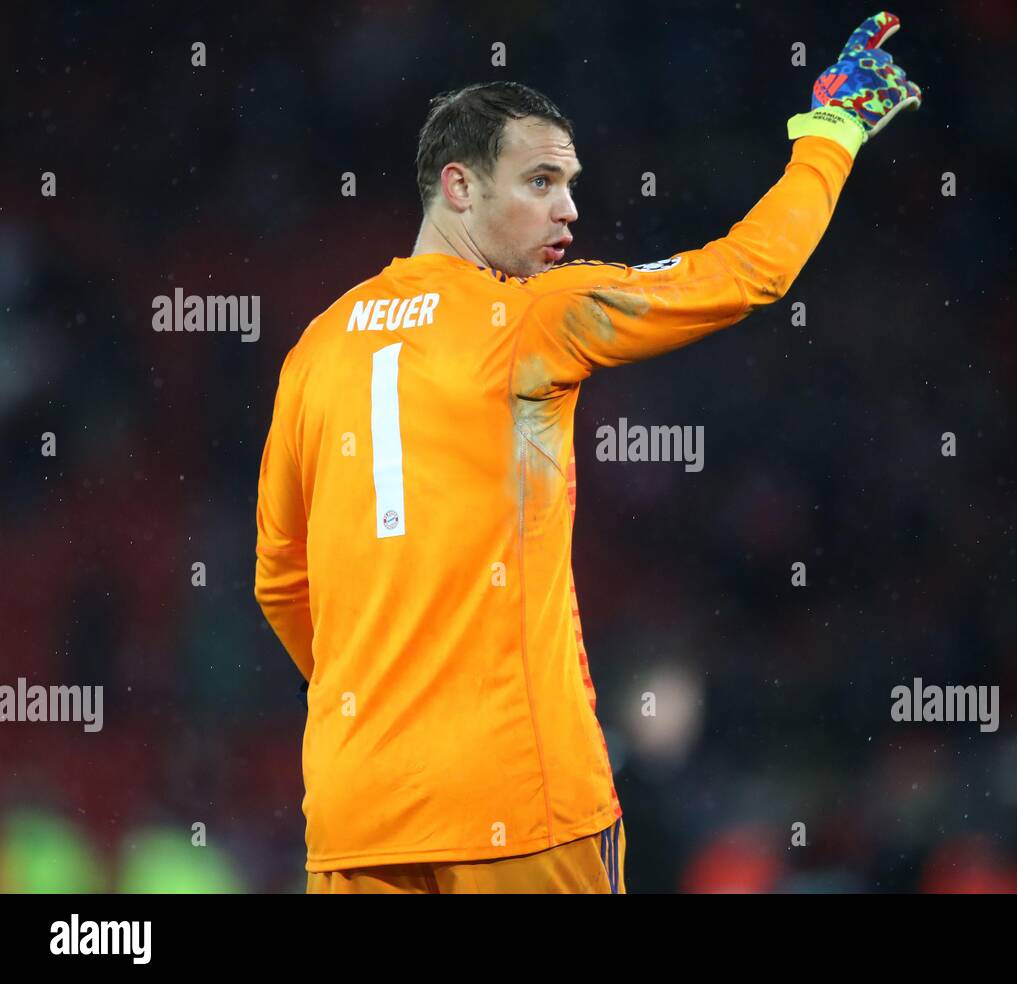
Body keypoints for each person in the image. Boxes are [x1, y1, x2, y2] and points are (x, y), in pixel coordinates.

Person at [254, 11, 921, 894]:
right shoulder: (529, 316)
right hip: (521, 804)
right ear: (458, 187)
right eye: (539, 181)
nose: (569, 207)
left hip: (355, 813)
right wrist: (830, 132)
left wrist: (376, 697)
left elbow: (279, 582)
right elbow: (745, 273)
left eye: (570, 183)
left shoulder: (312, 350)